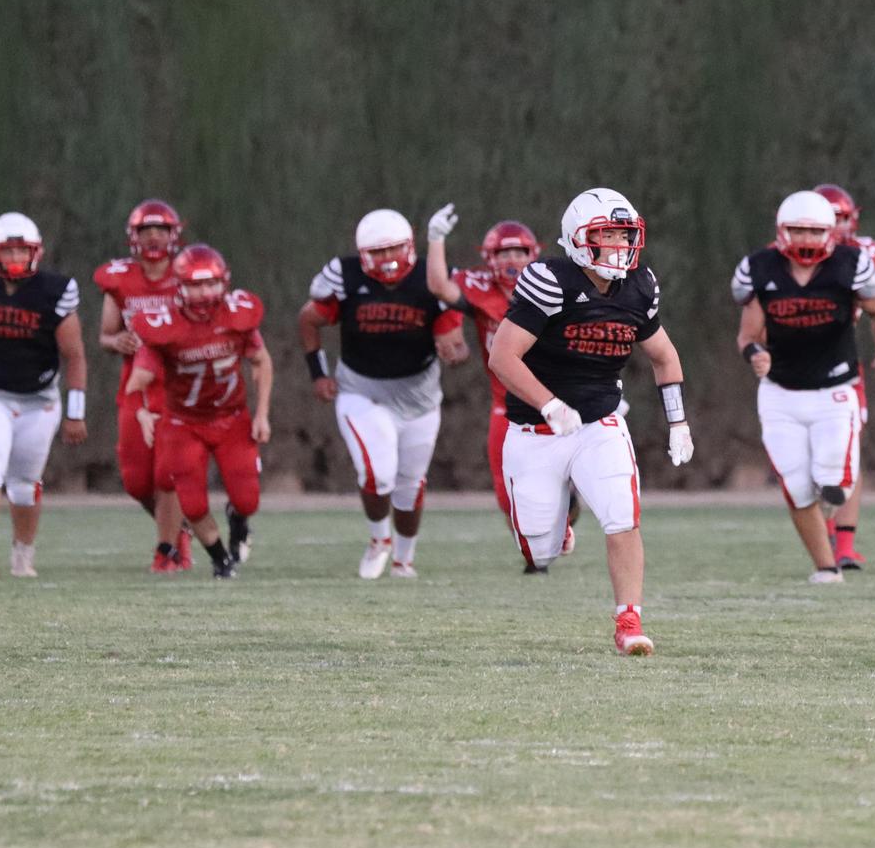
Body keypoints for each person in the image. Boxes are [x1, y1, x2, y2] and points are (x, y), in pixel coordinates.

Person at [491, 187, 691, 655]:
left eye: (626, 236)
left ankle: (629, 620)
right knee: (538, 548)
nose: (621, 246)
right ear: (579, 240)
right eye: (609, 236)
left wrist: (678, 422)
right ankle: (558, 527)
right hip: (534, 430)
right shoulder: (549, 280)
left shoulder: (639, 287)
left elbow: (664, 357)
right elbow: (503, 356)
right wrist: (548, 404)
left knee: (623, 517)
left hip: (599, 423)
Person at [732, 190, 875, 582]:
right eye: (797, 231)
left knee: (834, 480)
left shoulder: (852, 263)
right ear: (781, 231)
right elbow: (747, 335)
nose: (806, 240)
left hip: (835, 388)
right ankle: (826, 567)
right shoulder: (760, 268)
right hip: (780, 392)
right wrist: (754, 353)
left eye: (814, 232)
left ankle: (833, 492)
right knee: (796, 489)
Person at [298, 208, 467, 579]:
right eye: (378, 252)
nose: (387, 259)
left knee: (409, 486)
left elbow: (452, 336)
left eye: (393, 249)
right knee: (378, 474)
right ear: (362, 254)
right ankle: (379, 539)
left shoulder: (431, 277)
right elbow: (309, 318)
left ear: (408, 246)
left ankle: (404, 559)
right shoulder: (344, 275)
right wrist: (318, 373)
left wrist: (453, 349)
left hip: (420, 399)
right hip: (363, 391)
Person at [0, 213, 88, 578]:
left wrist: (76, 412)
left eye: (20, 251)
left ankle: (23, 556)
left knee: (25, 484)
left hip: (38, 397)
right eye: (6, 251)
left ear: (36, 253)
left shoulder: (55, 289)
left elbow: (74, 355)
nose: (14, 259)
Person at [124, 245, 271, 578]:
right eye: (194, 285)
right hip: (184, 423)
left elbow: (261, 361)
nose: (204, 293)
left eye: (211, 284)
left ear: (225, 283)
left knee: (248, 500)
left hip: (232, 419)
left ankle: (238, 517)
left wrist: (261, 413)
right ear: (179, 286)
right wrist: (143, 412)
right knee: (192, 504)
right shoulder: (164, 326)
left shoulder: (238, 316)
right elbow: (138, 382)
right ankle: (221, 560)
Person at [424, 205, 560, 540]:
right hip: (507, 404)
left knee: (561, 485)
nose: (512, 260)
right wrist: (436, 239)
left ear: (534, 253)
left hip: (557, 398)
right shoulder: (480, 288)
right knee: (504, 488)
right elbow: (439, 286)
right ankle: (532, 539)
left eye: (518, 251)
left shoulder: (555, 286)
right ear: (488, 257)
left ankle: (561, 518)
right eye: (503, 253)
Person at [94, 199, 193, 570]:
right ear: (133, 237)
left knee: (167, 475)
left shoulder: (189, 275)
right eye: (146, 230)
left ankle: (166, 550)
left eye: (161, 230)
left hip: (177, 386)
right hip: (135, 387)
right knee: (137, 482)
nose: (153, 237)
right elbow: (105, 335)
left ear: (174, 234)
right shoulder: (118, 279)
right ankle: (178, 531)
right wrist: (116, 342)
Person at [812, 182, 875, 570]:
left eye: (841, 219)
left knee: (847, 451)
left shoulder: (860, 256)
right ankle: (825, 539)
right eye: (827, 220)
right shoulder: (782, 260)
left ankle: (844, 544)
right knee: (809, 461)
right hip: (791, 369)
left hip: (842, 367)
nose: (835, 227)